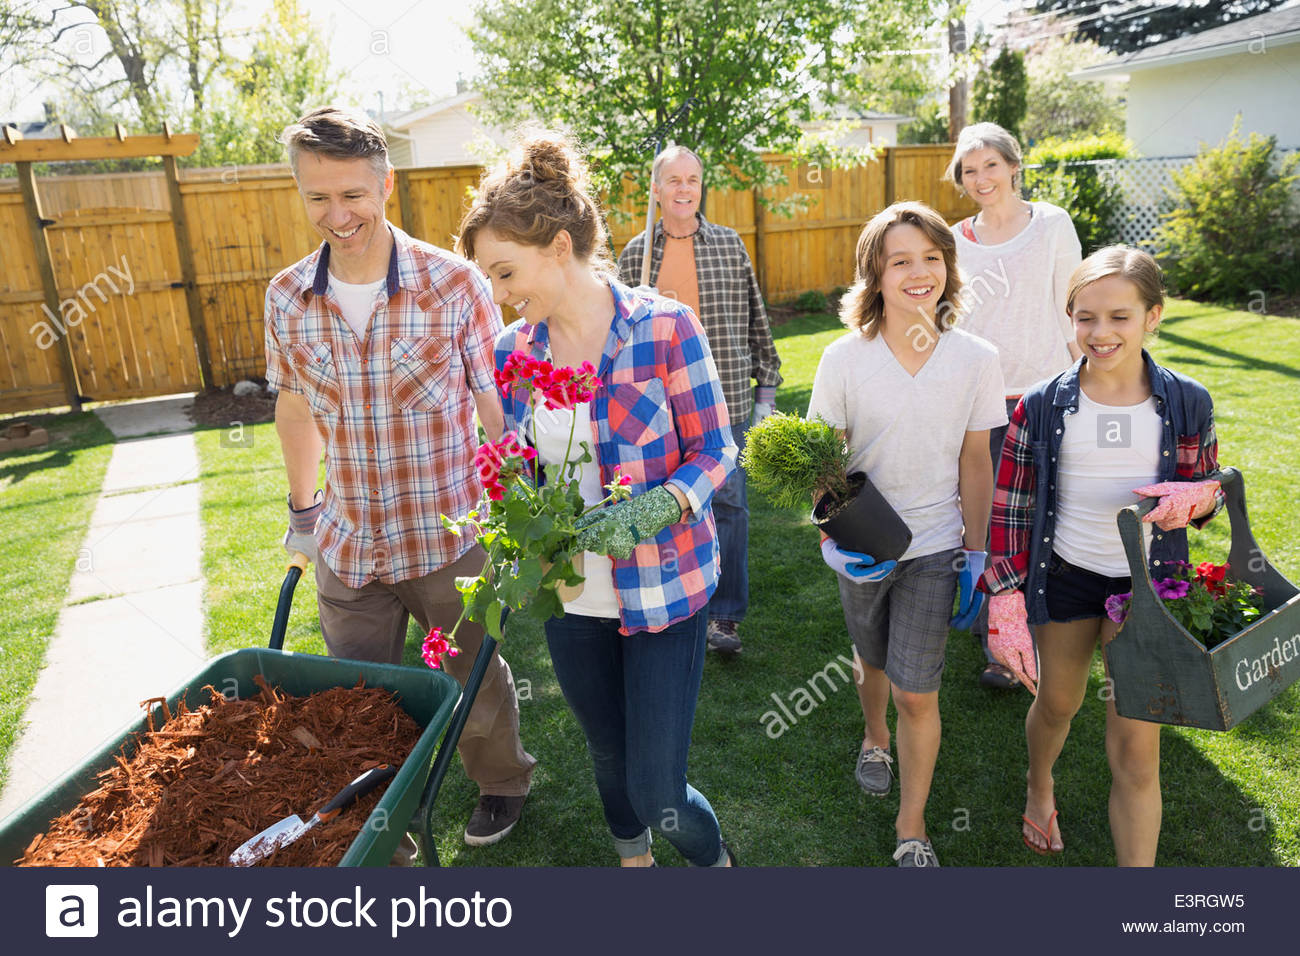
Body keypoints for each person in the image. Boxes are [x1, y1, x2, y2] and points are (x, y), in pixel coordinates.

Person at [458, 132, 738, 867]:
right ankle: (634, 863)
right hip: (572, 598)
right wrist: (511, 522)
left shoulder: (664, 328)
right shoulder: (513, 353)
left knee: (659, 788)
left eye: (504, 271)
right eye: (488, 277)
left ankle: (716, 867)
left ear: (557, 247)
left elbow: (719, 449)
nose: (497, 292)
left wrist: (660, 506)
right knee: (608, 755)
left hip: (663, 590)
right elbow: (519, 468)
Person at [265, 106, 536, 850]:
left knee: (474, 682)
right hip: (348, 543)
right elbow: (295, 408)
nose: (336, 213)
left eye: (351, 193)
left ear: (385, 183)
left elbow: (491, 400)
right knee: (360, 702)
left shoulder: (452, 284)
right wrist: (302, 511)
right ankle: (383, 817)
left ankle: (502, 783)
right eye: (317, 196)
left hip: (447, 534)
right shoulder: (289, 297)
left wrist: (513, 501)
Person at [981, 246, 1223, 865]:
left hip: (1147, 590)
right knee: (1058, 702)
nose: (1101, 332)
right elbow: (1010, 505)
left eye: (1120, 316)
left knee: (1139, 750)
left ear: (1153, 316)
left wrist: (1195, 499)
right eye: (1085, 317)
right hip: (1065, 577)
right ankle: (1040, 786)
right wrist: (1004, 598)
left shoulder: (1188, 402)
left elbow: (1206, 487)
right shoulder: (1040, 405)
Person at [807, 201, 1007, 867]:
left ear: (949, 267)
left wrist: (975, 552)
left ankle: (911, 826)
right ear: (876, 274)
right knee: (873, 662)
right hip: (863, 543)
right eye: (901, 260)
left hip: (936, 546)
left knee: (917, 688)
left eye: (932, 257)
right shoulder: (843, 360)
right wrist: (832, 539)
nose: (920, 272)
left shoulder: (977, 358)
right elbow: (822, 463)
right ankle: (873, 738)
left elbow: (976, 461)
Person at [617, 145, 783, 657]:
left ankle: (726, 617)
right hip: (656, 410)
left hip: (724, 398)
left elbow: (755, 316)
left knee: (730, 504)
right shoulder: (634, 256)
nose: (684, 188)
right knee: (668, 502)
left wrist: (767, 390)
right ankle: (674, 598)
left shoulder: (730, 245)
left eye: (692, 179)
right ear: (656, 190)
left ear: (701, 185)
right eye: (673, 180)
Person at [943, 122, 1083, 691]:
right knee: (989, 522)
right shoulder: (954, 240)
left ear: (1013, 166)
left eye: (990, 166)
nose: (981, 179)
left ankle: (1051, 630)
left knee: (1048, 517)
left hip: (1048, 396)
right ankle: (999, 643)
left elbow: (1074, 306)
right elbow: (949, 323)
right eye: (969, 171)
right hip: (983, 402)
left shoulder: (1051, 225)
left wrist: (1089, 383)